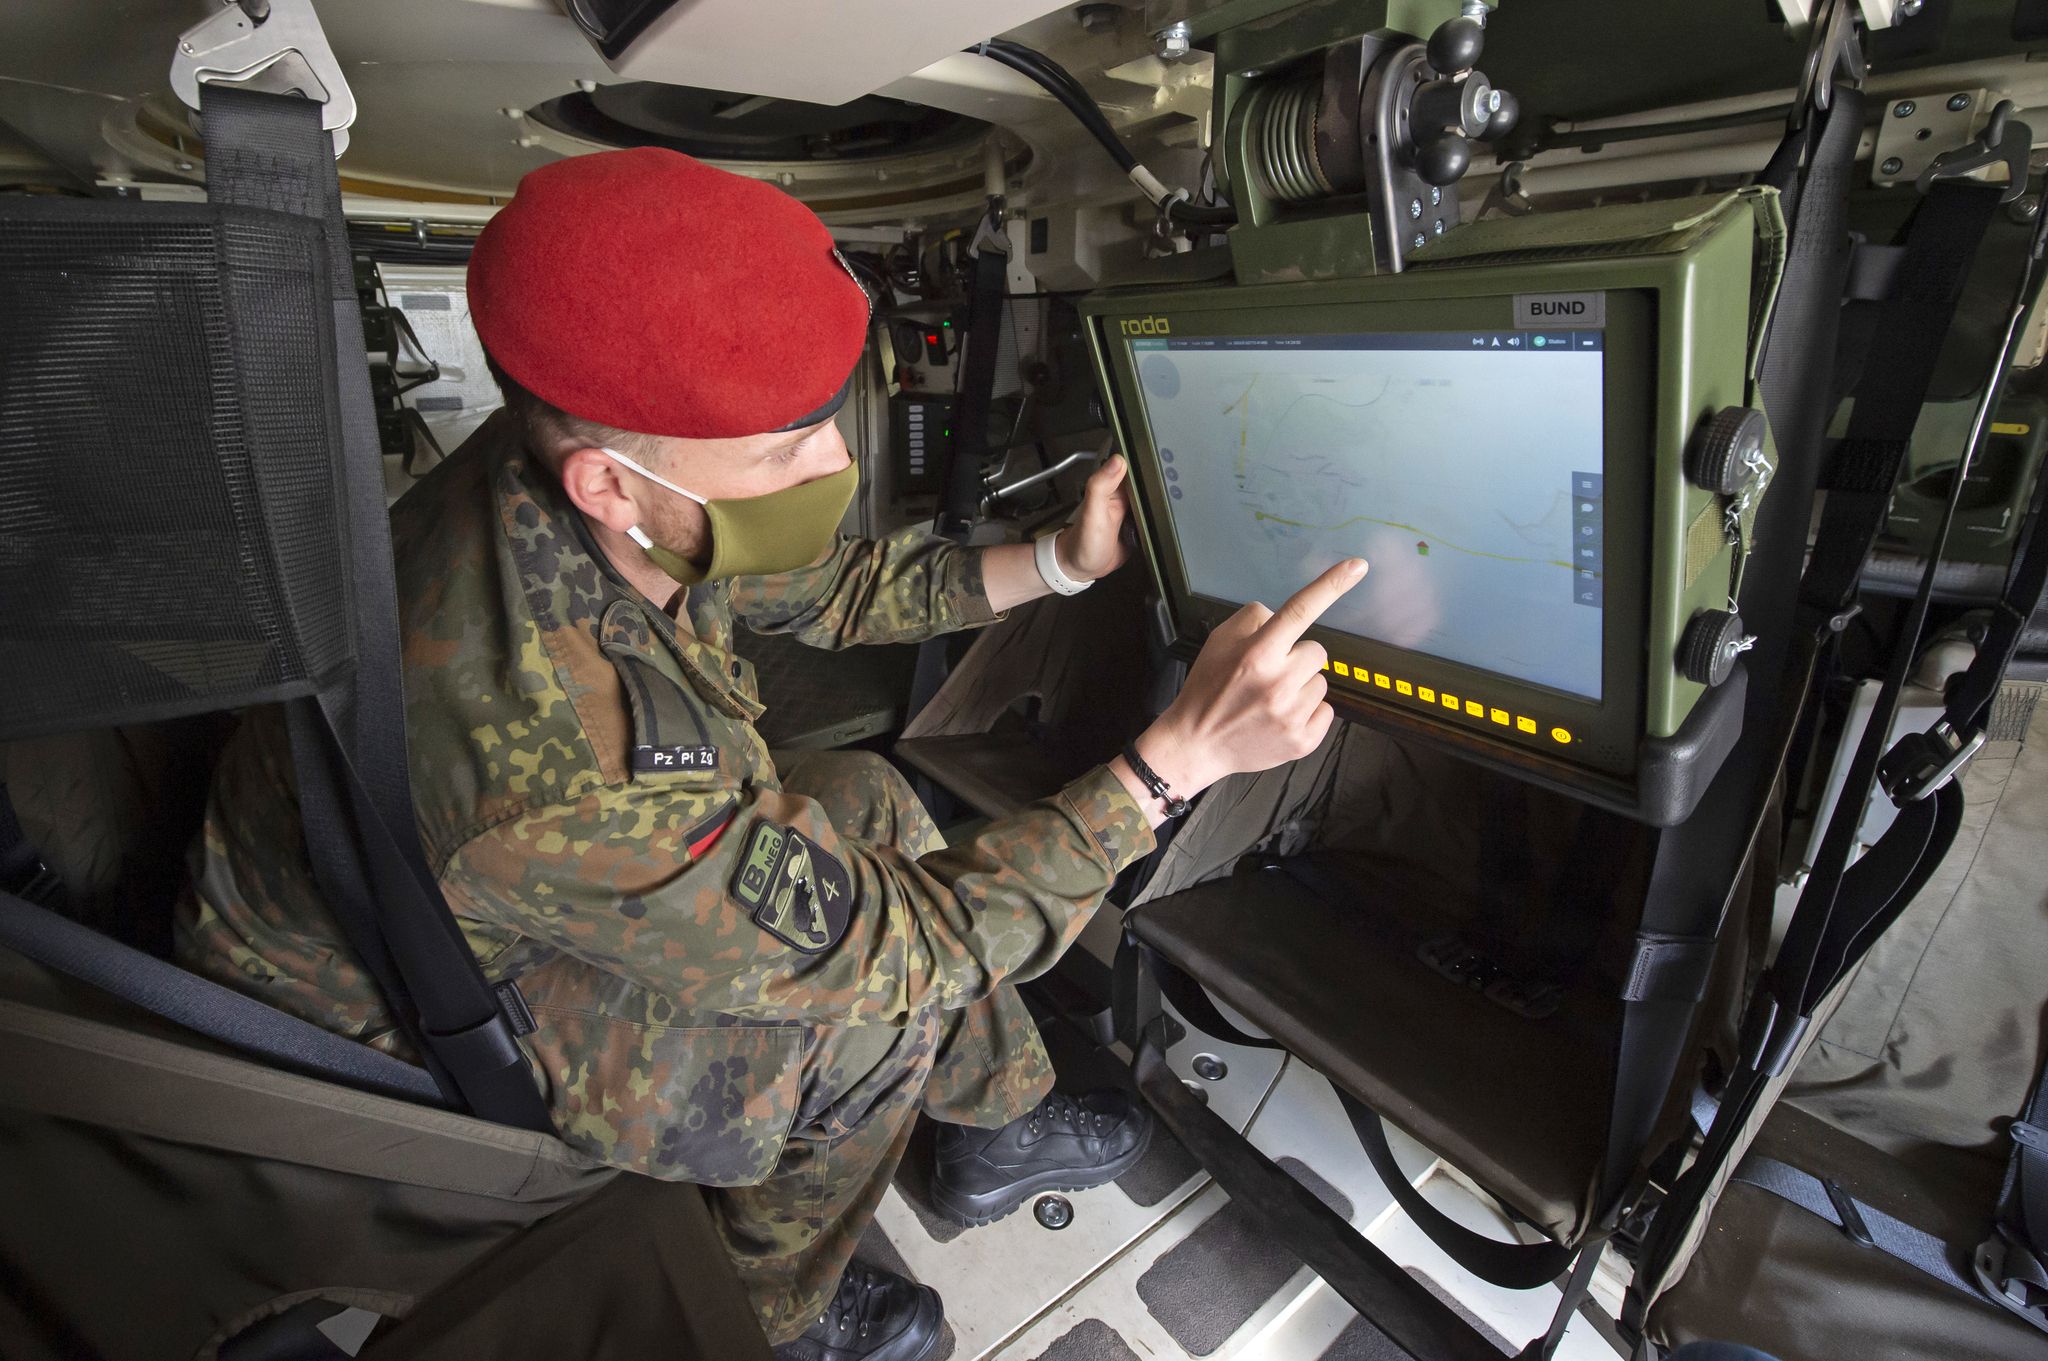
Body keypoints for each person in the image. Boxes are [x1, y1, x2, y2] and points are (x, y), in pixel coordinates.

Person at [176, 146, 1364, 1360]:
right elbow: (902, 955)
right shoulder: (542, 743)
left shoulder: (590, 477)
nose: (836, 465)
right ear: (607, 484)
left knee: (866, 795)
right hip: (398, 1011)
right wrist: (1169, 766)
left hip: (473, 894)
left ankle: (990, 1123)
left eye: (823, 422)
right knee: (872, 1023)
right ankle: (770, 1312)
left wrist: (1057, 562)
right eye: (783, 448)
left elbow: (814, 582)